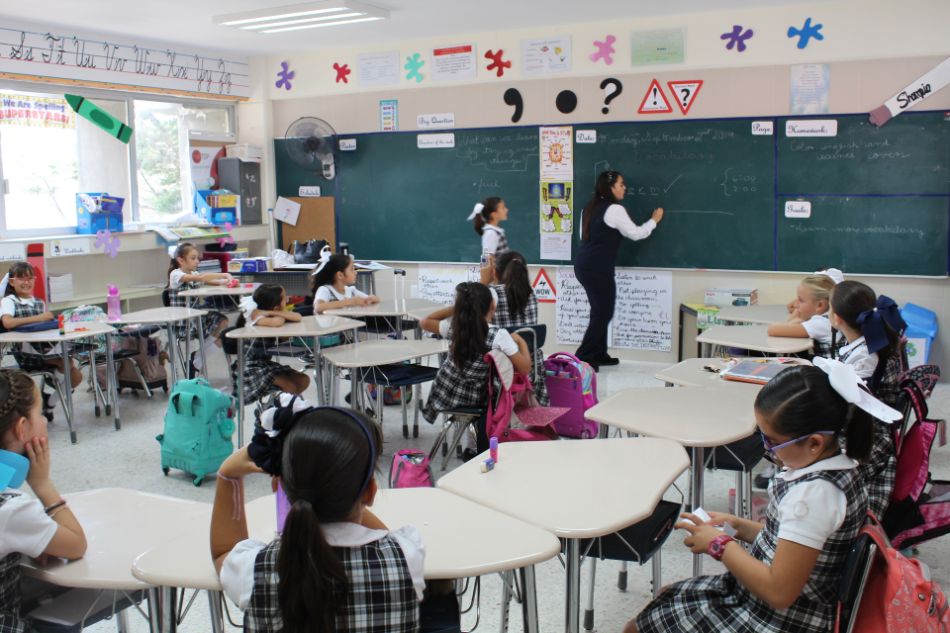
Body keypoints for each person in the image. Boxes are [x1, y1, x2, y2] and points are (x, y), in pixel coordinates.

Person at [628, 362, 897, 633]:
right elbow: (790, 544)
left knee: (642, 625)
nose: (767, 450)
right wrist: (737, 525)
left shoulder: (812, 498)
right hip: (765, 602)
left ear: (814, 443)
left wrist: (720, 545)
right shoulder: (836, 468)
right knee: (665, 600)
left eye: (771, 441)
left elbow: (779, 592)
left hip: (780, 619)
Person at [211, 401, 424, 632]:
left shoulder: (252, 569)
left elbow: (224, 552)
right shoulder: (407, 555)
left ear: (278, 485)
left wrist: (227, 475)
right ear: (370, 492)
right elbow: (384, 536)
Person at [0, 369, 87, 632]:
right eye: (40, 414)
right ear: (22, 428)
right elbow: (75, 544)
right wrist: (42, 484)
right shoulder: (12, 509)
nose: (45, 422)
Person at [830, 280, 907, 517]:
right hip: (865, 418)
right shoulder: (864, 341)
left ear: (836, 318)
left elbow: (846, 402)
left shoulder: (865, 357)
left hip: (867, 430)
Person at [574, 171, 663, 370]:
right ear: (610, 187)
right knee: (603, 312)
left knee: (600, 310)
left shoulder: (590, 207)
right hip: (597, 267)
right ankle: (584, 357)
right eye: (621, 184)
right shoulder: (615, 209)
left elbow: (583, 235)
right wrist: (654, 221)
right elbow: (635, 234)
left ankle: (599, 353)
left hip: (584, 265)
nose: (625, 188)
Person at [420, 282, 532, 425]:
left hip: (444, 393)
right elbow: (525, 368)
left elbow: (425, 322)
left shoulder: (455, 327)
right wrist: (521, 341)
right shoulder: (499, 335)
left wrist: (458, 308)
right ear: (492, 305)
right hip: (474, 399)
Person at [0, 262, 83, 419]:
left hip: (45, 349)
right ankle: (53, 390)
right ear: (12, 281)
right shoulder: (9, 301)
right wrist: (40, 318)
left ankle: (49, 403)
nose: (27, 282)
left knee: (76, 376)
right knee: (65, 364)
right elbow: (8, 323)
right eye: (21, 278)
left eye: (30, 278)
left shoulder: (39, 302)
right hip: (26, 352)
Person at [479, 251, 547, 404]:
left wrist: (485, 281)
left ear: (495, 272)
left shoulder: (491, 294)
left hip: (501, 368)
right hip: (531, 366)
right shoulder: (531, 294)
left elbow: (469, 311)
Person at [231, 285, 309, 404]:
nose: (287, 299)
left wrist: (271, 311)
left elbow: (298, 317)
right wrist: (278, 313)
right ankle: (281, 413)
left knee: (303, 379)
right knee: (290, 386)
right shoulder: (256, 317)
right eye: (284, 298)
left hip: (264, 365)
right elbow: (278, 322)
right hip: (250, 369)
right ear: (276, 305)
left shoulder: (267, 313)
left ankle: (276, 407)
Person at [167, 243, 231, 374]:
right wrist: (224, 274)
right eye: (193, 258)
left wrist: (228, 282)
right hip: (183, 322)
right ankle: (195, 362)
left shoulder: (193, 273)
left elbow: (213, 282)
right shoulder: (176, 275)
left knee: (223, 324)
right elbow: (201, 277)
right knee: (221, 336)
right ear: (180, 260)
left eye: (197, 258)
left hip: (197, 318)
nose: (197, 261)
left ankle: (195, 360)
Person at [767, 273, 837, 358]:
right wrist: (800, 308)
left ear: (820, 305)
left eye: (801, 300)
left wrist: (798, 316)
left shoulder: (821, 323)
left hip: (827, 370)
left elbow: (773, 329)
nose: (796, 305)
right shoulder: (830, 316)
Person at [310, 252, 379, 314]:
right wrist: (350, 302)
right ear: (340, 275)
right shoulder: (325, 290)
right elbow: (318, 307)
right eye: (352, 269)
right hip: (330, 328)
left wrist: (371, 298)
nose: (355, 272)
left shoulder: (351, 291)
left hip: (347, 326)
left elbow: (374, 299)